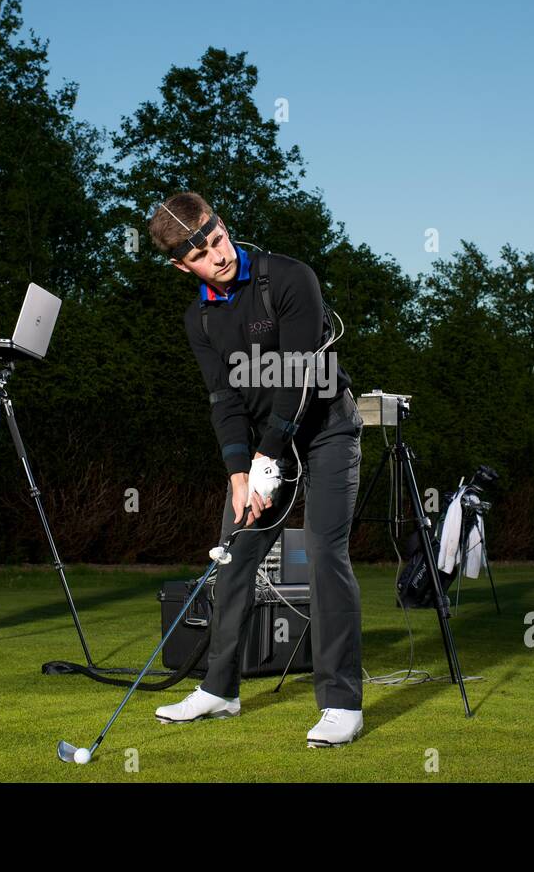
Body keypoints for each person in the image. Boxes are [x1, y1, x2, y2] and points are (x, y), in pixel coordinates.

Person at [147, 192, 366, 747]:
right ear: (181, 266)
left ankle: (340, 702)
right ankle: (220, 689)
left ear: (223, 226)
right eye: (199, 253)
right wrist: (239, 474)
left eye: (217, 238)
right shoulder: (198, 318)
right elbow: (223, 400)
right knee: (234, 555)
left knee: (322, 552)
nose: (217, 255)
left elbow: (298, 379)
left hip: (326, 431)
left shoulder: (291, 279)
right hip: (265, 446)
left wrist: (268, 457)